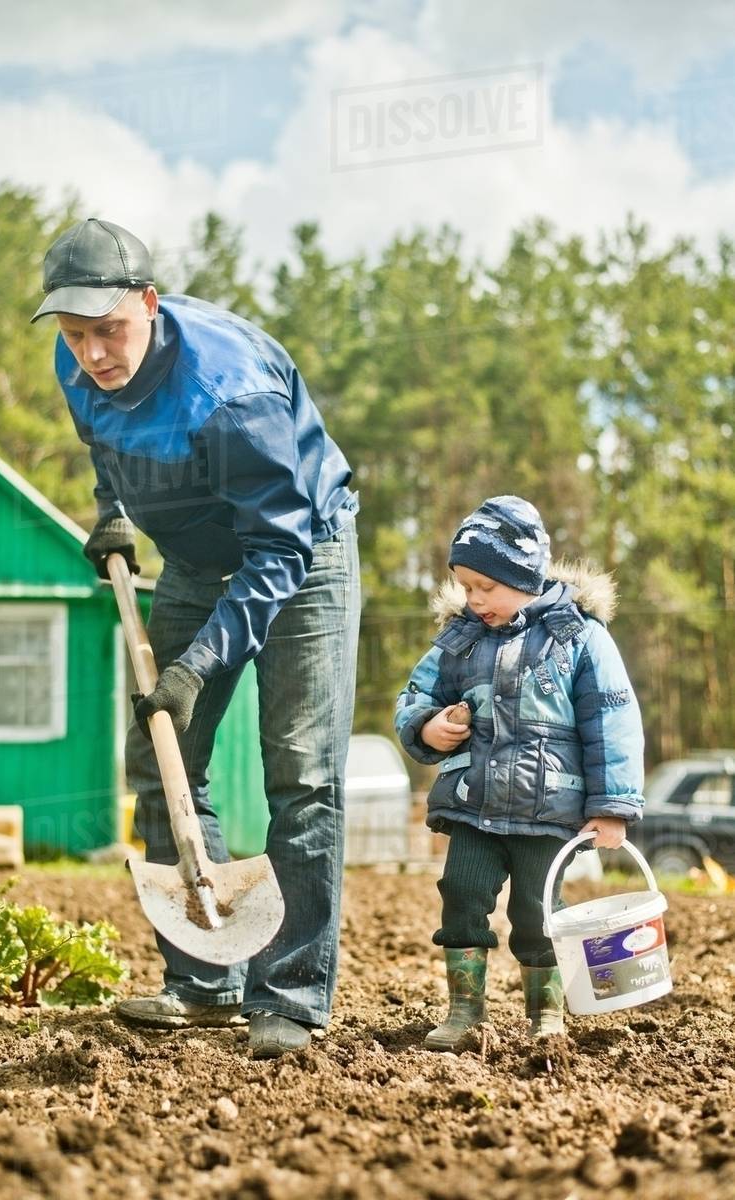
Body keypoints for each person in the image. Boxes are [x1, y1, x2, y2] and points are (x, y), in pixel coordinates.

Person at [32, 218, 360, 1059]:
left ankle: (289, 993)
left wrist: (200, 664)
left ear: (149, 302)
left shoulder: (230, 390)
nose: (94, 353)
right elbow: (103, 444)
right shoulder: (75, 363)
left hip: (298, 552)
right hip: (190, 555)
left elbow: (278, 547)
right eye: (76, 335)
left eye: (110, 330)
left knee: (301, 770)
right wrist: (112, 511)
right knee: (162, 754)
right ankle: (205, 977)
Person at [393, 495, 644, 1048]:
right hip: (473, 805)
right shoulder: (459, 639)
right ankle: (464, 1010)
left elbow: (613, 719)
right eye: (465, 586)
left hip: (549, 810)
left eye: (487, 587)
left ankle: (545, 1014)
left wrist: (611, 807)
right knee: (460, 895)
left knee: (537, 914)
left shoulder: (577, 636)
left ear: (526, 574)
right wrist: (429, 726)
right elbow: (414, 696)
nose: (474, 599)